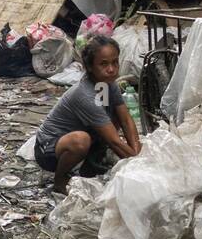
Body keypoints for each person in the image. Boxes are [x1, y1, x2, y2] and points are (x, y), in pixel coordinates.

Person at [33, 34, 141, 194]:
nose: (111, 69)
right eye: (103, 64)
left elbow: (125, 119)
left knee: (113, 115)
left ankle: (91, 162)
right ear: (90, 67)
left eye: (114, 62)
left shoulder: (107, 85)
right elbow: (114, 141)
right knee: (80, 141)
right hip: (48, 149)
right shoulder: (84, 94)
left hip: (84, 135)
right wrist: (137, 164)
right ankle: (60, 180)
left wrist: (137, 152)